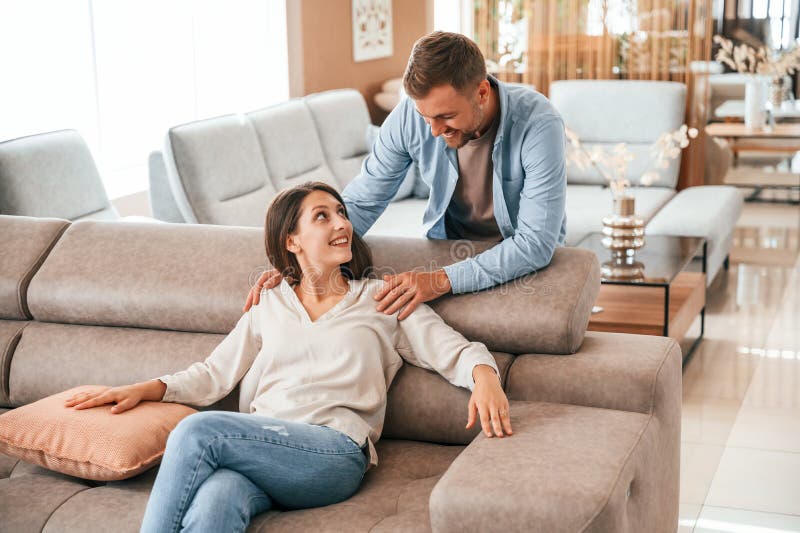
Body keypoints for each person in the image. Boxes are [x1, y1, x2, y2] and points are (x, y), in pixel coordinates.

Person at [64, 182, 512, 533]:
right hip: (262, 449)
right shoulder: (271, 301)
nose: (341, 223)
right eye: (322, 216)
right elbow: (213, 375)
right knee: (218, 498)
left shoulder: (380, 297)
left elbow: (455, 350)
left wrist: (486, 378)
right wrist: (145, 389)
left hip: (333, 453)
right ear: (292, 240)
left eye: (342, 213)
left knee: (198, 430)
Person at [244, 31, 567, 320]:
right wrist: (295, 263)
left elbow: (535, 243)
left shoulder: (538, 123)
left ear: (482, 92)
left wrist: (440, 280)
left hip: (519, 255)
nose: (436, 131)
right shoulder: (408, 118)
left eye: (447, 116)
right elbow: (364, 199)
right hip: (449, 247)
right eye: (426, 117)